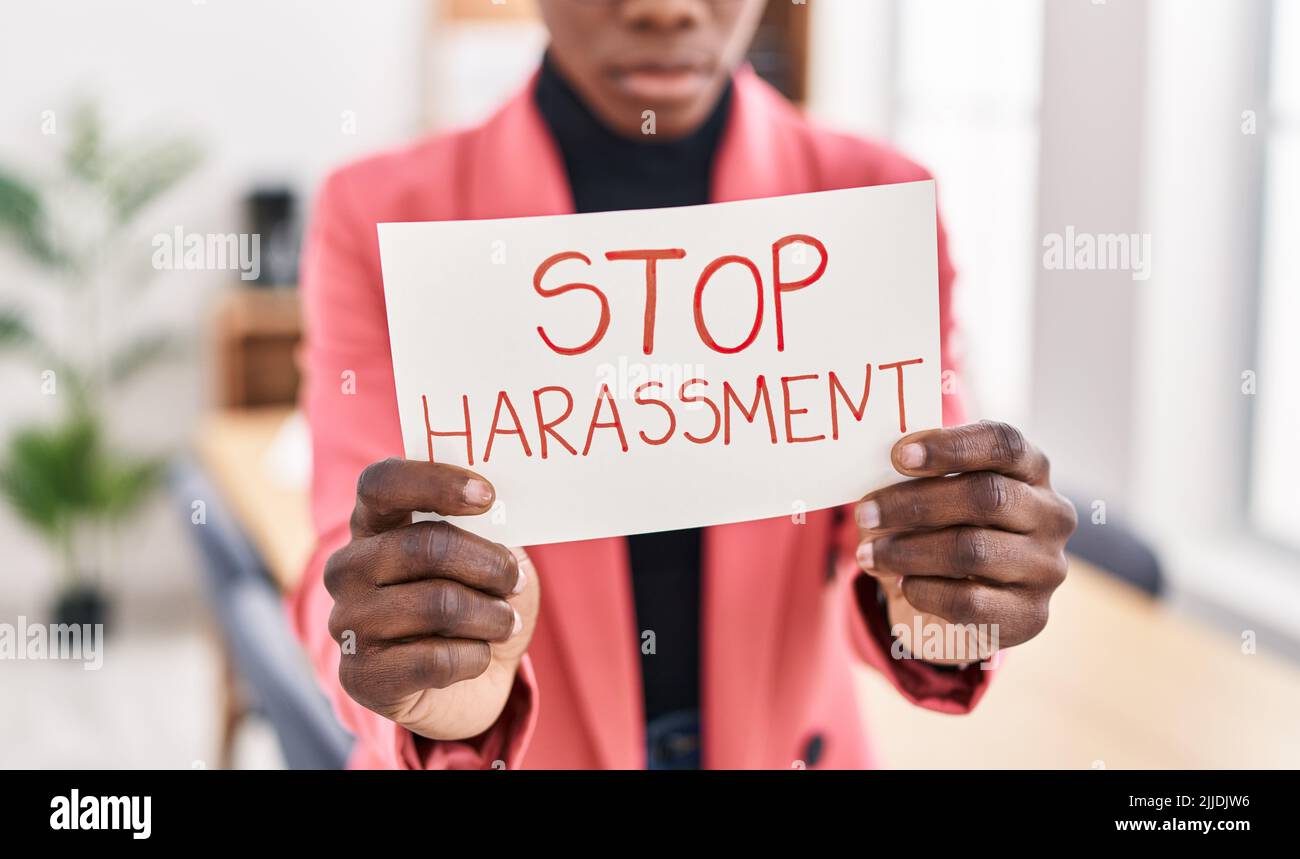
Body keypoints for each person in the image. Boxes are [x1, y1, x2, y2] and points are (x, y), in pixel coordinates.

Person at [290, 0, 1077, 770]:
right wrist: (426, 695)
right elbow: (348, 552)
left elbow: (903, 515)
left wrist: (952, 595)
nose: (665, 9)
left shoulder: (874, 201)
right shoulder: (383, 216)